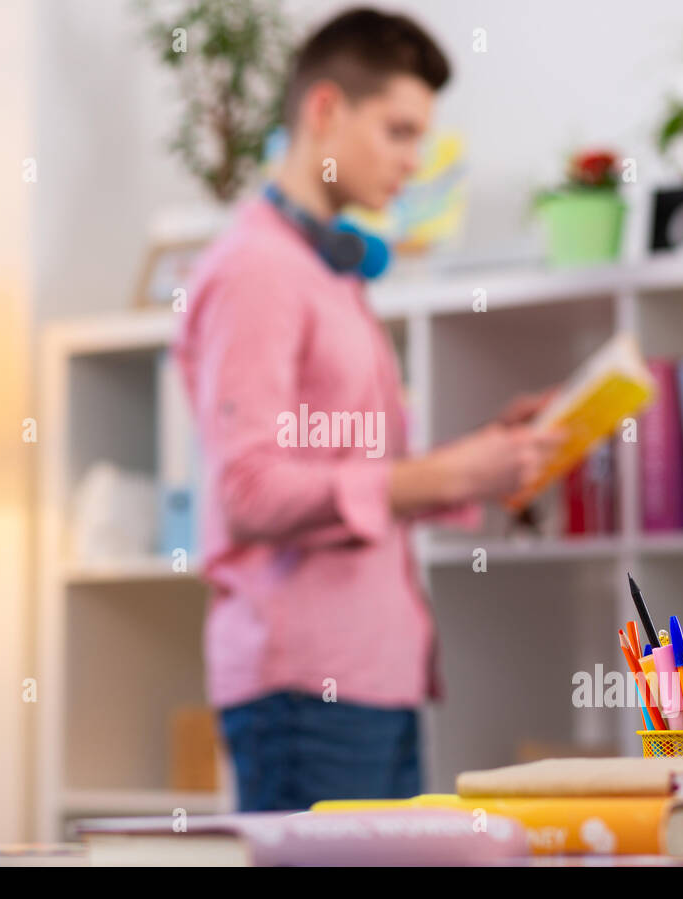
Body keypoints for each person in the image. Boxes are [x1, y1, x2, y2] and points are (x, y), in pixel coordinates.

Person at [175, 7, 562, 812]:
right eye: (398, 131)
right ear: (324, 110)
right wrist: (444, 474)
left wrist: (479, 459)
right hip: (304, 691)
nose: (413, 163)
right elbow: (249, 489)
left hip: (378, 678)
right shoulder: (259, 272)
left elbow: (353, 467)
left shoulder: (330, 271)